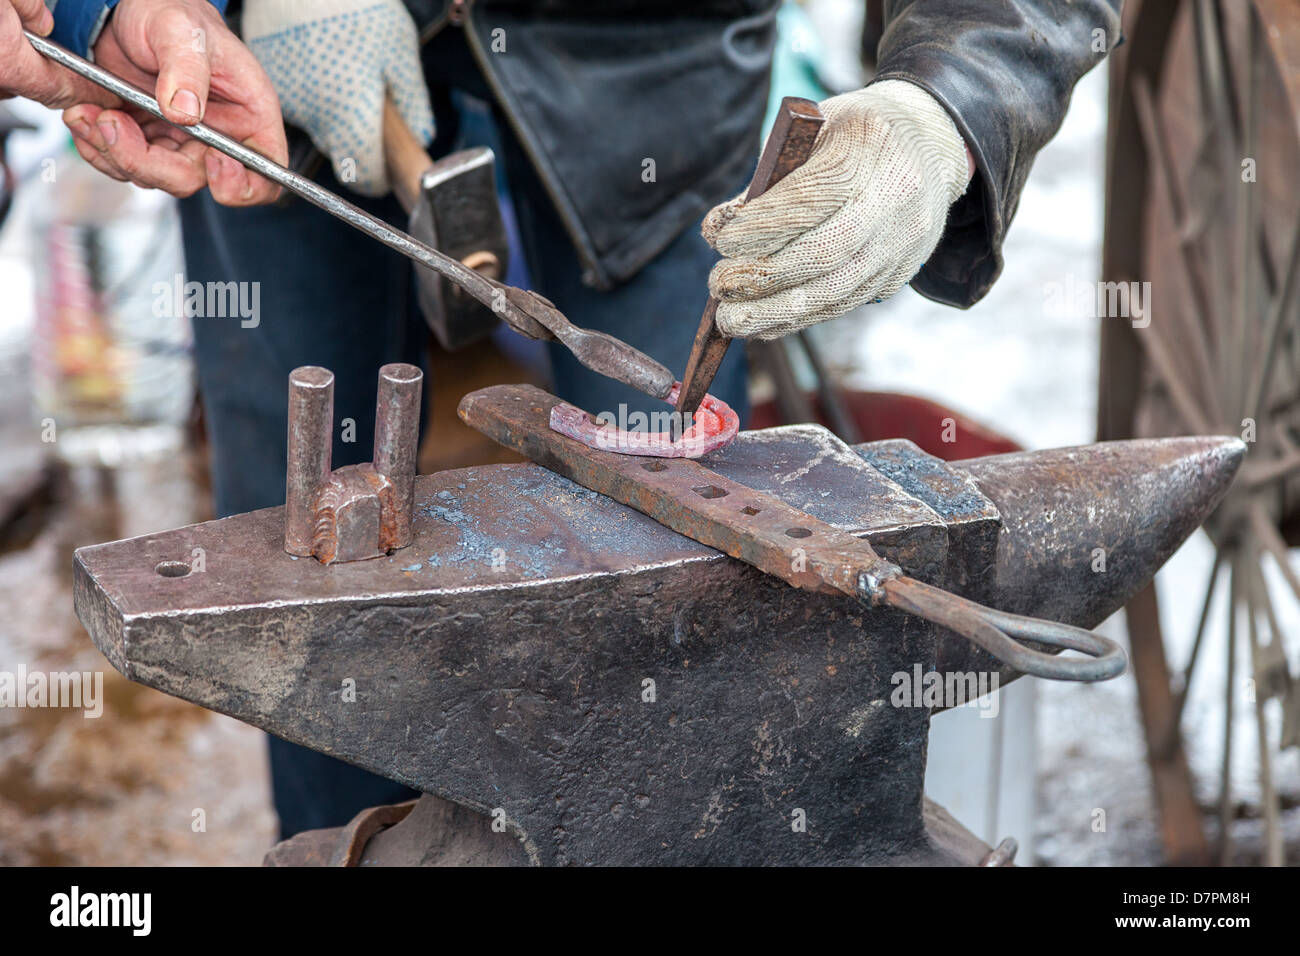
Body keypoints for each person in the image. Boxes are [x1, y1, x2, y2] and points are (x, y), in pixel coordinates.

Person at [41, 0, 1122, 839]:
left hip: (648, 74)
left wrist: (950, 102)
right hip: (278, 47)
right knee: (303, 568)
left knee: (692, 601)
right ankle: (343, 839)